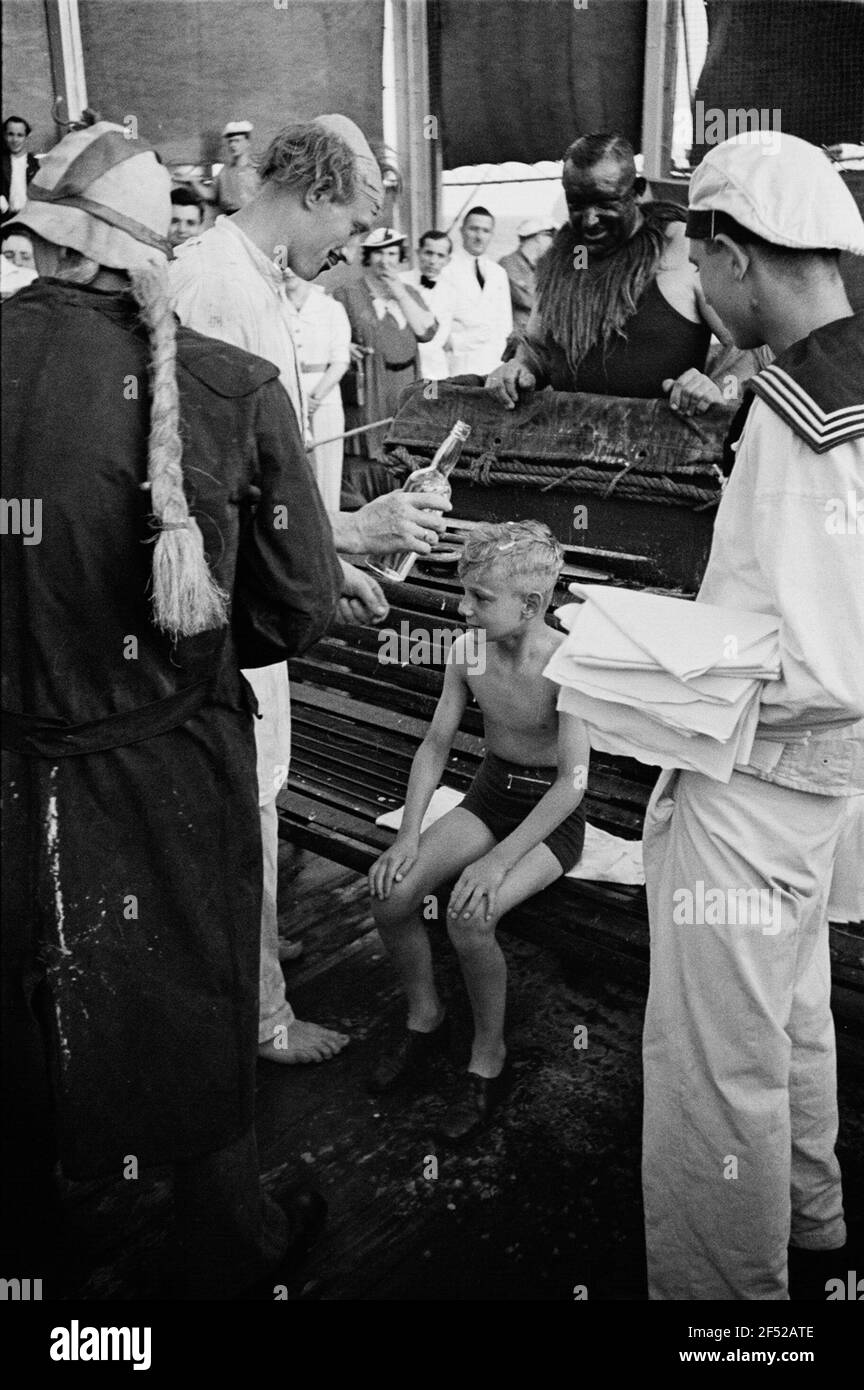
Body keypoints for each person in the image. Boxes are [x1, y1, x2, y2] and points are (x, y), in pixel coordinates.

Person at [1, 121, 345, 1297]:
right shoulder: (221, 383)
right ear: (151, 254)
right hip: (163, 762)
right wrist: (176, 664)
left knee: (30, 991)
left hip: (12, 769)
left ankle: (59, 1238)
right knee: (191, 995)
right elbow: (298, 611)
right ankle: (228, 1240)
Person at [171, 119, 451, 1067]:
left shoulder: (260, 283)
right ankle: (262, 1016)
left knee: (262, 788)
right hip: (224, 610)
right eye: (348, 228)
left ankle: (250, 954)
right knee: (244, 798)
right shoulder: (217, 284)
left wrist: (334, 567)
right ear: (320, 192)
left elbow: (273, 477)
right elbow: (218, 492)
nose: (343, 254)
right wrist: (345, 541)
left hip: (256, 595)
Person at [641, 131, 864, 1300]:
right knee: (794, 1008)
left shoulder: (800, 415)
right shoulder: (853, 375)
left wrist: (638, 656)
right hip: (826, 789)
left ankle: (726, 1308)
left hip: (759, 778)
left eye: (696, 263)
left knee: (715, 1064)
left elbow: (817, 658)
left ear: (734, 256)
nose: (697, 295)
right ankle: (818, 1220)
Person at [368, 521, 590, 1144]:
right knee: (391, 892)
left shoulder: (567, 663)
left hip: (551, 816)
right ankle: (425, 1017)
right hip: (491, 795)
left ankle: (486, 1056)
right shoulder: (468, 649)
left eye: (480, 598)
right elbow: (438, 741)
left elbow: (572, 782)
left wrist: (496, 863)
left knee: (470, 915)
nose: (464, 607)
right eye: (464, 593)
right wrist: (410, 832)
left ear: (532, 604)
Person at [486, 133, 731, 414]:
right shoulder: (564, 257)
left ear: (637, 191)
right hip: (566, 443)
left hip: (665, 447)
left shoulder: (681, 246)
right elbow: (539, 349)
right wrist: (518, 368)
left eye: (605, 203)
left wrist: (719, 388)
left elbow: (747, 345)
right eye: (577, 204)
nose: (590, 220)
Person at [333, 226, 437, 458]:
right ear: (368, 257)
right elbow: (325, 336)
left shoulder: (410, 292)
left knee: (405, 446)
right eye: (379, 253)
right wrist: (344, 347)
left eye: (392, 254)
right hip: (371, 384)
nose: (386, 261)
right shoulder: (346, 294)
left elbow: (427, 333)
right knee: (371, 452)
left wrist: (399, 293)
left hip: (406, 381)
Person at [282, 264, 352, 512]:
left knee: (326, 470)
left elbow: (340, 360)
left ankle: (329, 539)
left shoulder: (330, 308)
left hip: (325, 396)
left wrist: (314, 398)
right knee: (289, 469)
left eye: (293, 266)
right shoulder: (273, 304)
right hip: (285, 392)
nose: (287, 271)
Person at [440, 207, 512, 377]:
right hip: (458, 364)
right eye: (473, 229)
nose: (479, 237)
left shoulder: (498, 273)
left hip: (493, 365)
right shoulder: (445, 270)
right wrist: (457, 342)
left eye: (486, 231)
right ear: (462, 231)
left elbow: (505, 325)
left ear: (491, 235)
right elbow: (438, 327)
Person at [400, 229, 456, 381]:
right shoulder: (399, 283)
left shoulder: (452, 291)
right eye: (428, 253)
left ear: (448, 260)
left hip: (434, 372)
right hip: (403, 368)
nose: (433, 261)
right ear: (418, 253)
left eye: (440, 255)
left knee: (431, 403)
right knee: (403, 404)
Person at [498, 217, 555, 334]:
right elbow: (529, 300)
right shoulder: (508, 264)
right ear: (539, 237)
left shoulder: (541, 267)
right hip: (518, 341)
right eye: (551, 236)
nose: (553, 243)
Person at [1, 115, 39, 221]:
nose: (15, 140)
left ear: (26, 137)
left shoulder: (36, 165)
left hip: (30, 219)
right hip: (6, 220)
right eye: (10, 134)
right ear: (4, 136)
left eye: (20, 135)